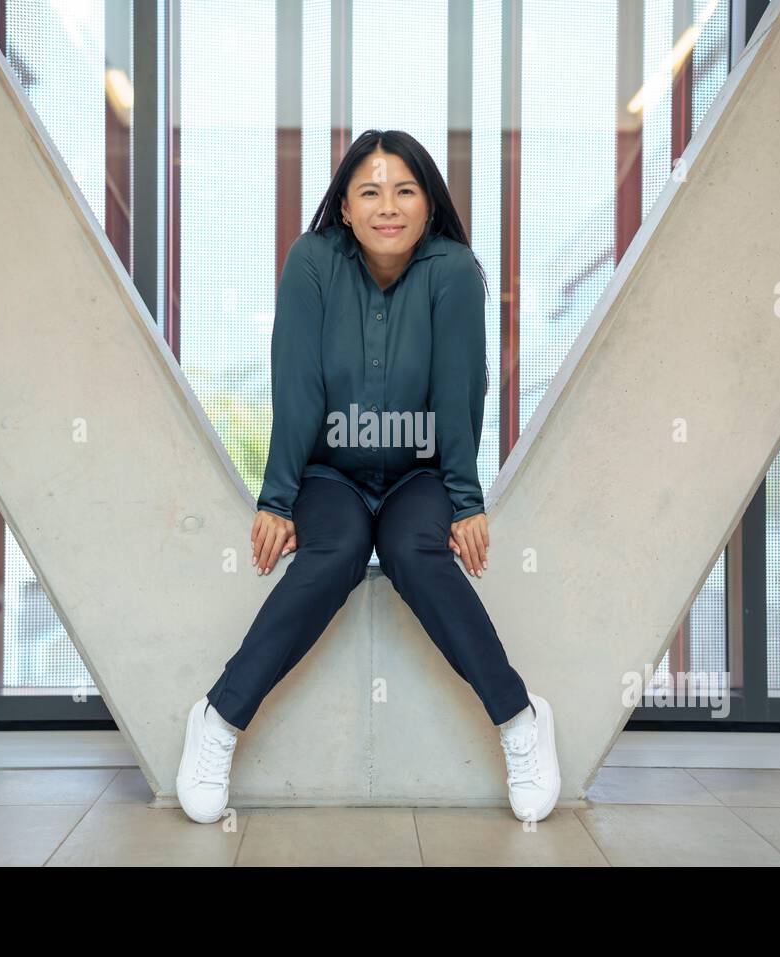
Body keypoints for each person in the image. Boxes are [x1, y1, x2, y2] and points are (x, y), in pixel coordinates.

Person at [176, 129, 559, 825]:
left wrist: (466, 502)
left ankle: (521, 719)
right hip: (333, 473)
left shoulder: (452, 270)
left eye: (406, 190)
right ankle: (218, 721)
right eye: (371, 191)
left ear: (430, 204)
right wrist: (279, 497)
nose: (389, 206)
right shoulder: (313, 261)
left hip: (418, 474)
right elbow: (295, 383)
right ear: (345, 208)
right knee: (334, 553)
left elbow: (458, 391)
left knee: (418, 551)